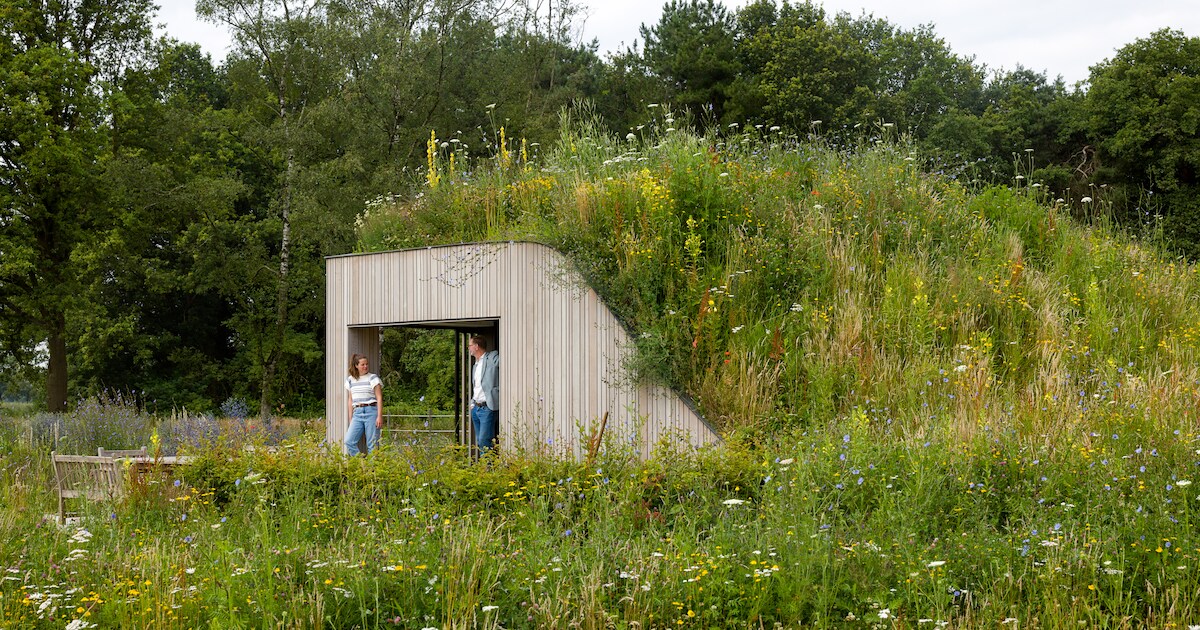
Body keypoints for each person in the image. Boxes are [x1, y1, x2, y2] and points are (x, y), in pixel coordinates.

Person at [345, 353, 383, 455]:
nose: (365, 366)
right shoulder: (350, 380)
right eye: (362, 364)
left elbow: (379, 398)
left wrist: (379, 416)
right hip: (357, 413)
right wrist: (351, 418)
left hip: (371, 411)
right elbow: (350, 400)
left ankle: (372, 470)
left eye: (366, 364)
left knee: (372, 444)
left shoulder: (373, 378)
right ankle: (362, 464)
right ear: (356, 365)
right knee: (349, 441)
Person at [468, 334, 499, 454]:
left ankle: (488, 469)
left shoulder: (491, 358)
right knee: (480, 441)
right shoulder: (475, 365)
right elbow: (476, 386)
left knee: (484, 440)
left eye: (470, 345)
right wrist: (472, 404)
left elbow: (506, 362)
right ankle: (485, 468)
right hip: (476, 408)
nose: (468, 348)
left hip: (487, 408)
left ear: (476, 346)